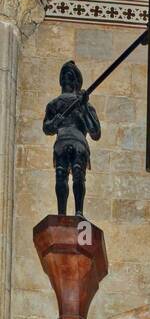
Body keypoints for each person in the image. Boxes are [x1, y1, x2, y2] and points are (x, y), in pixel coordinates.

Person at [43, 60, 101, 215]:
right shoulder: (53, 105)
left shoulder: (85, 105)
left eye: (70, 76)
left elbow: (95, 132)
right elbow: (46, 128)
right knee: (60, 175)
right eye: (64, 76)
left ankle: (79, 212)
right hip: (61, 142)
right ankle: (61, 214)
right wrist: (54, 122)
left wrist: (84, 107)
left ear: (76, 81)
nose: (66, 79)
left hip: (79, 143)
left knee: (78, 175)